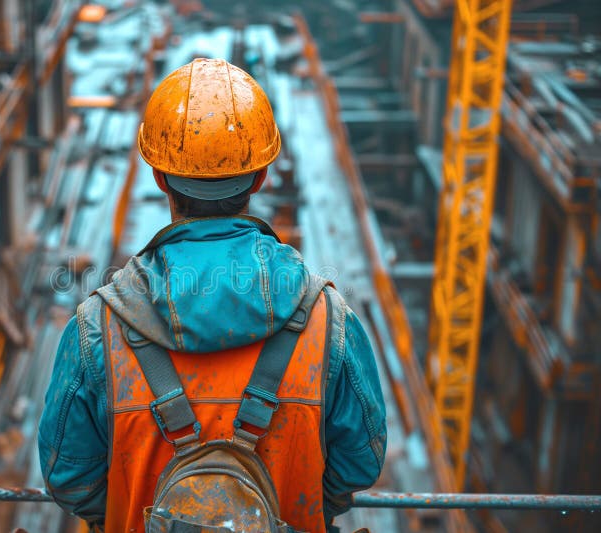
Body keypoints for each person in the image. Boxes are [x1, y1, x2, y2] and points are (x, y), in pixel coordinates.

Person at [38, 58, 386, 532]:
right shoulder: (329, 321)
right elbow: (360, 464)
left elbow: (68, 476)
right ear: (260, 177)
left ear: (160, 177)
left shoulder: (96, 329)